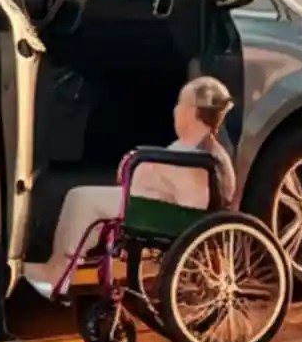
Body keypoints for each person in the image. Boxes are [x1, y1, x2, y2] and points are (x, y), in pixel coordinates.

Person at [21, 76, 238, 297]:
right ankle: (61, 266)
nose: (175, 110)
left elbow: (183, 195)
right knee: (84, 201)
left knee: (82, 200)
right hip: (162, 204)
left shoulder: (196, 155)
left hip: (167, 214)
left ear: (192, 112)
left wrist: (139, 170)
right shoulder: (204, 149)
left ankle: (57, 272)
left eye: (179, 104)